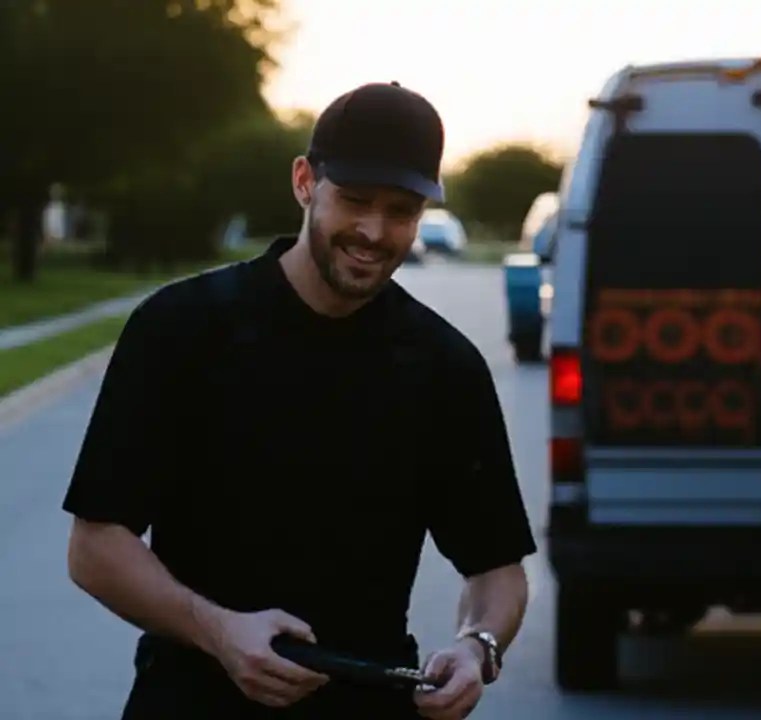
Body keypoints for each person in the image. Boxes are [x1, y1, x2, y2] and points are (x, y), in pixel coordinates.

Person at [61, 81, 537, 720]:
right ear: (305, 182)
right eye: (356, 200)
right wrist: (219, 632)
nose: (374, 230)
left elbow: (497, 571)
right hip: (190, 703)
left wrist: (477, 648)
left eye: (401, 211)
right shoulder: (181, 329)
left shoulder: (444, 366)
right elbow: (95, 547)